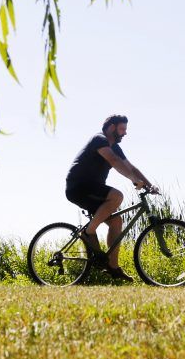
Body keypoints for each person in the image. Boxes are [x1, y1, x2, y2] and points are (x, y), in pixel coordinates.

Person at [65, 114, 159, 281]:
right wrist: (133, 180)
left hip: (94, 190)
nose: (125, 133)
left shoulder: (115, 147)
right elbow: (113, 161)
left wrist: (148, 185)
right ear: (111, 127)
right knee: (117, 196)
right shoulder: (99, 139)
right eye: (122, 129)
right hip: (79, 187)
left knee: (116, 222)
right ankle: (89, 232)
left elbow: (131, 167)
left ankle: (112, 267)